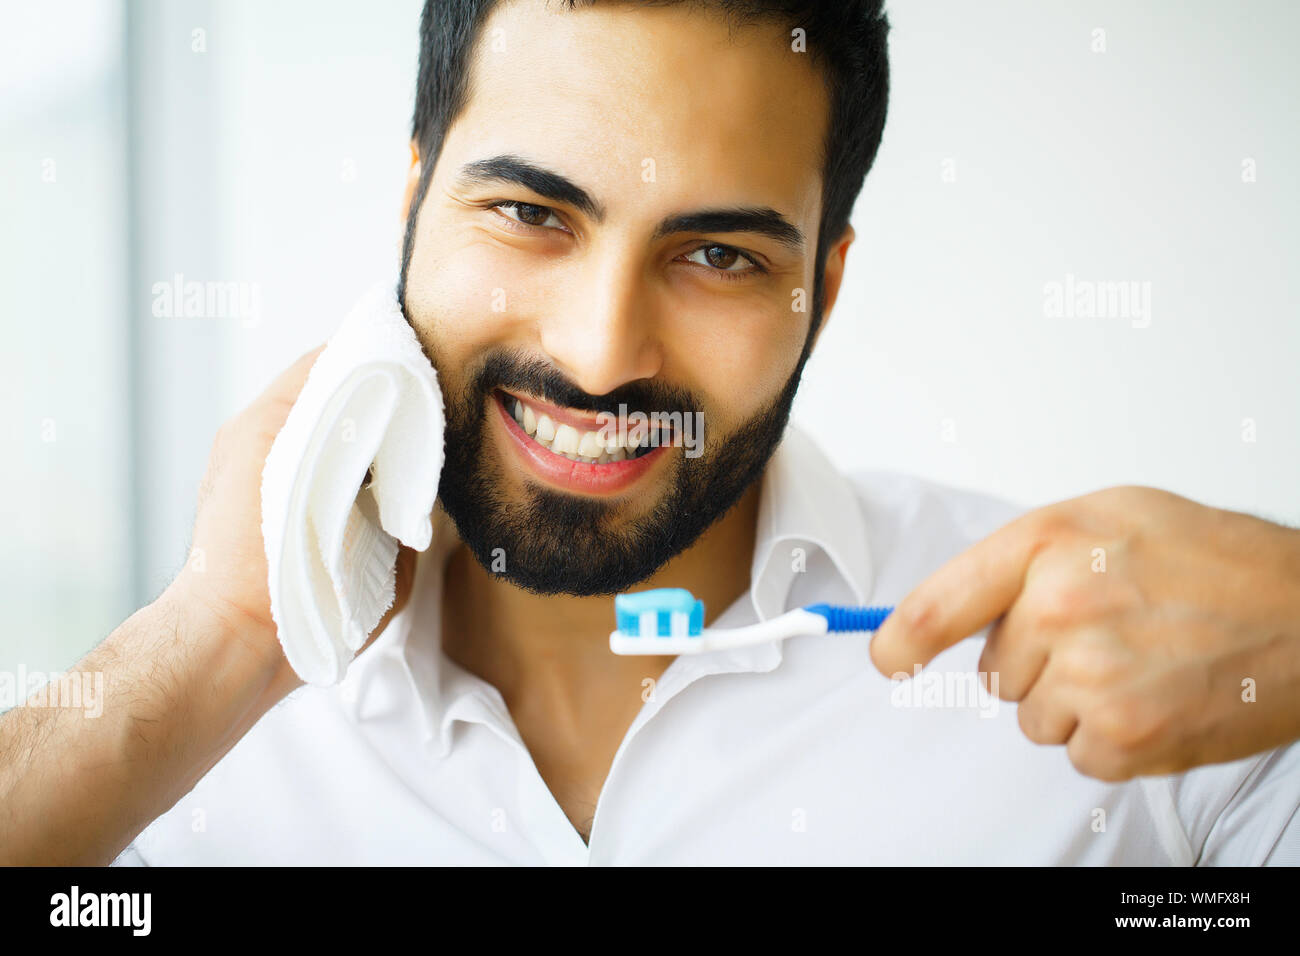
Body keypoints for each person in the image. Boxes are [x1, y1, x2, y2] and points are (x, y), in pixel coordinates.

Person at [3, 0, 1298, 865]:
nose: (600, 351)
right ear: (413, 201)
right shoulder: (192, 734)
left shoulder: (1137, 711)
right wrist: (209, 649)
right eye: (529, 215)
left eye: (720, 254)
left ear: (822, 291)